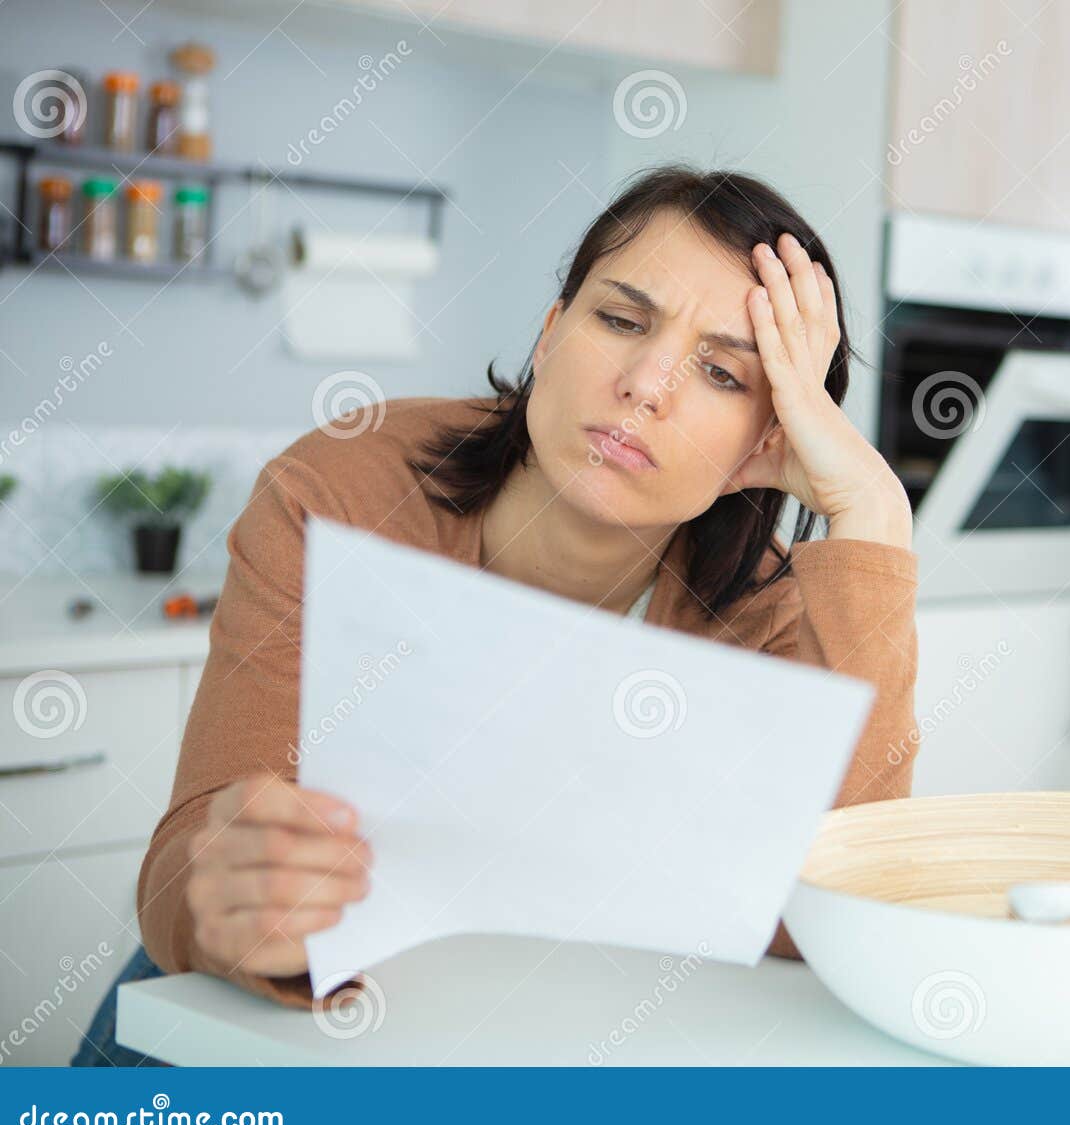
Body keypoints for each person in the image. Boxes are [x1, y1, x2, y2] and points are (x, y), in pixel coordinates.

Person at [78, 166, 918, 1062]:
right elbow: (185, 858)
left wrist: (872, 510)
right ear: (551, 334)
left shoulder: (772, 611)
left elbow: (831, 930)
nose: (646, 383)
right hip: (264, 1031)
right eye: (622, 321)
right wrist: (233, 900)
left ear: (770, 435)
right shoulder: (341, 489)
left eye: (719, 370)